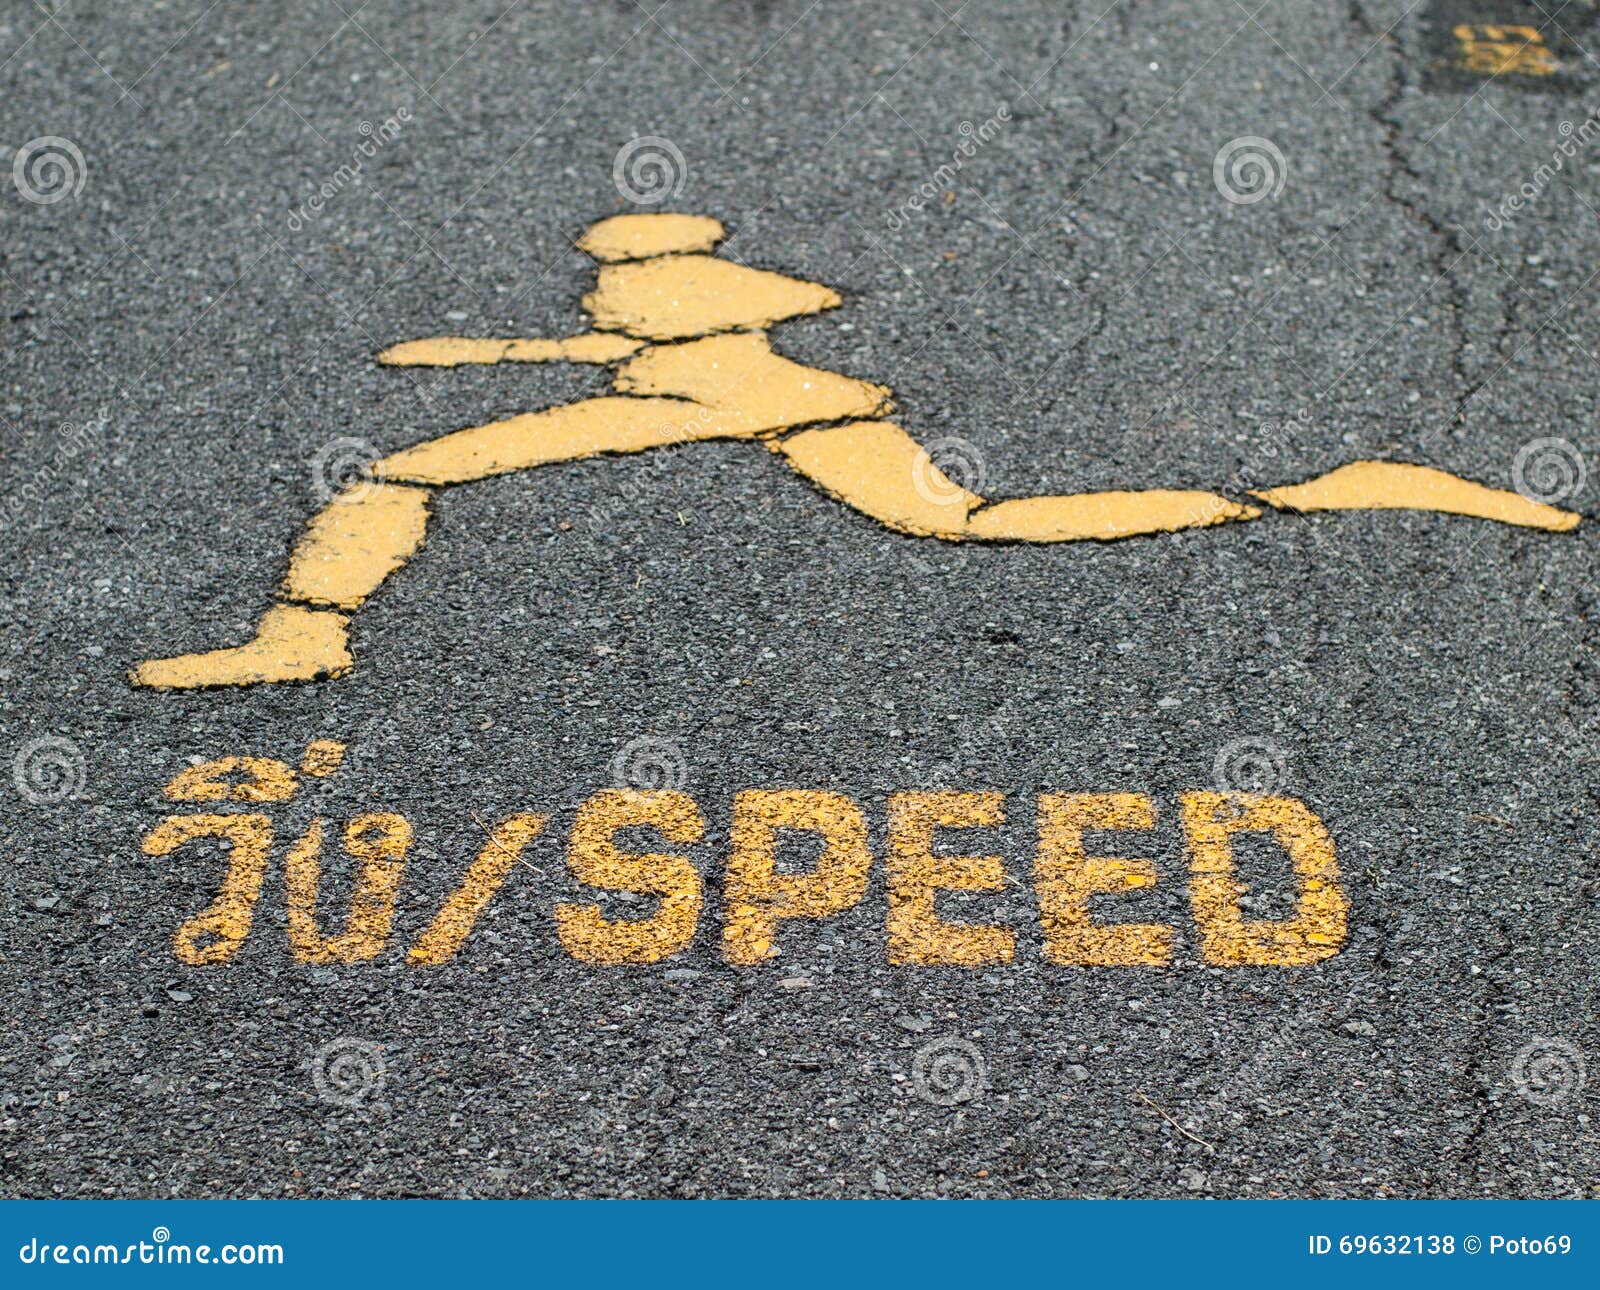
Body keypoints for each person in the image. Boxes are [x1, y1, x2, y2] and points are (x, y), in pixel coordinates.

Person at [132, 211, 1578, 689]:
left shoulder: (729, 293)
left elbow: (710, 335)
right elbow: (636, 353)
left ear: (661, 246)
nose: (602, 258)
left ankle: (1325, 488)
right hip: (720, 405)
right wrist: (492, 353)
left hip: (761, 406)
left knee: (965, 528)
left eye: (617, 247)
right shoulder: (653, 307)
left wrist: (531, 349)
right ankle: (304, 636)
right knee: (407, 470)